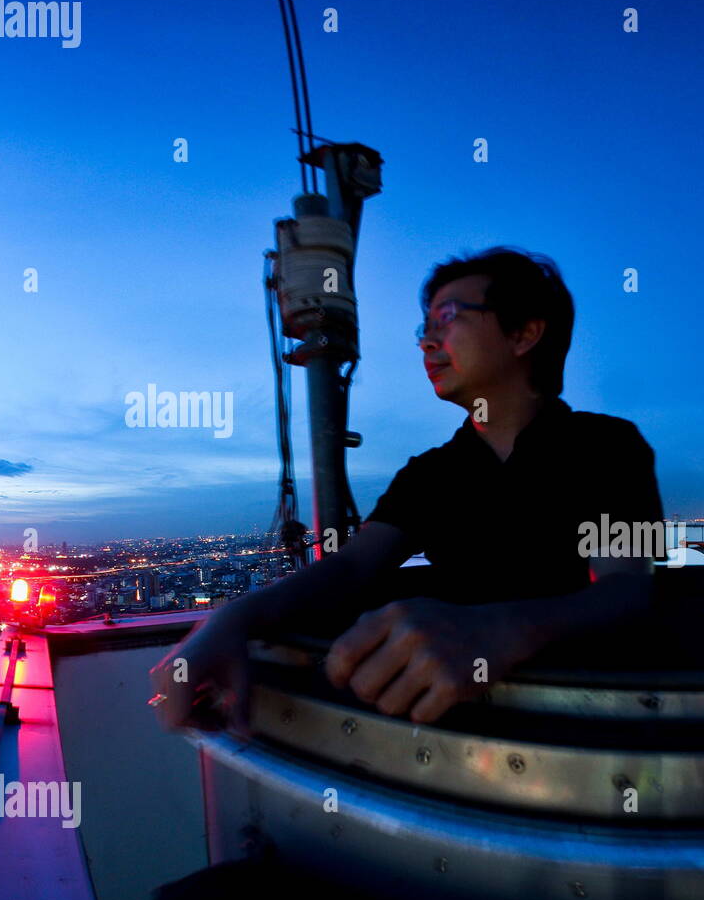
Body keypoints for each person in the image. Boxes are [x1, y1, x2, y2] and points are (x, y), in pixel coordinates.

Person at [153, 248, 663, 732]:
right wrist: (233, 618)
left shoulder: (611, 447)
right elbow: (351, 568)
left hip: (588, 716)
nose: (426, 341)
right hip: (447, 727)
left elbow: (626, 589)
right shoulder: (432, 474)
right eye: (426, 326)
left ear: (524, 333)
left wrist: (503, 630)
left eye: (449, 318)